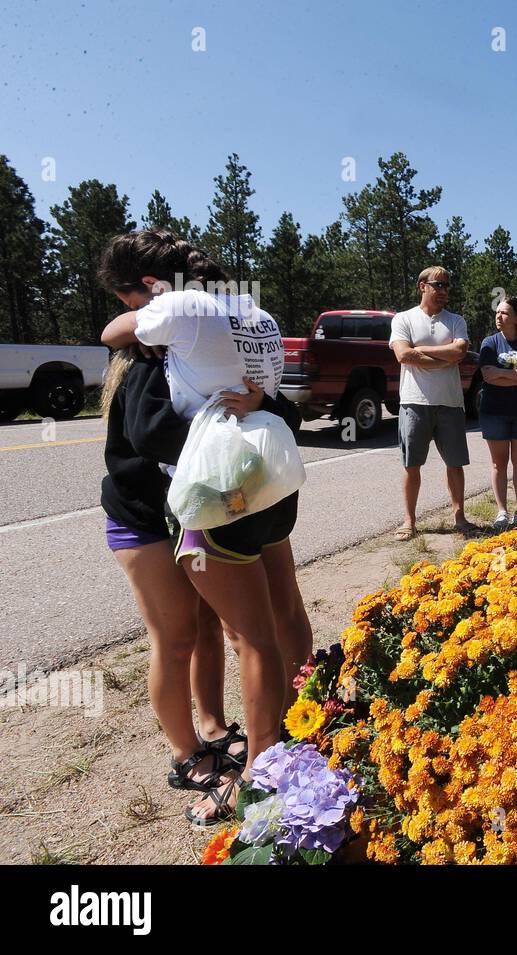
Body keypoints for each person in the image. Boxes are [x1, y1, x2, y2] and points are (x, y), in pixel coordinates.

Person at [99, 229, 312, 824]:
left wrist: (247, 412)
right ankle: (187, 753)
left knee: (219, 628)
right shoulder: (153, 350)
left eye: (128, 302)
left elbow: (276, 401)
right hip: (145, 513)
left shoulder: (205, 329)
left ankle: (219, 729)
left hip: (204, 506)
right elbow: (146, 433)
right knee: (180, 635)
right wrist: (225, 429)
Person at [388, 266, 474, 539]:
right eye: (438, 285)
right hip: (414, 402)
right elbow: (403, 355)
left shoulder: (456, 320)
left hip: (449, 402)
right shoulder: (403, 319)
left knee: (455, 463)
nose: (444, 291)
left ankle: (459, 517)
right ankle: (409, 521)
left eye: (447, 286)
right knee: (411, 465)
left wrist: (421, 350)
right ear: (422, 286)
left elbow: (459, 351)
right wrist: (443, 357)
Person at [479, 296, 517, 531]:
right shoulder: (490, 342)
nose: (499, 316)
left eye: (505, 313)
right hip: (494, 412)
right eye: (498, 312)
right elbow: (487, 375)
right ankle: (502, 512)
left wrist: (502, 375)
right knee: (498, 464)